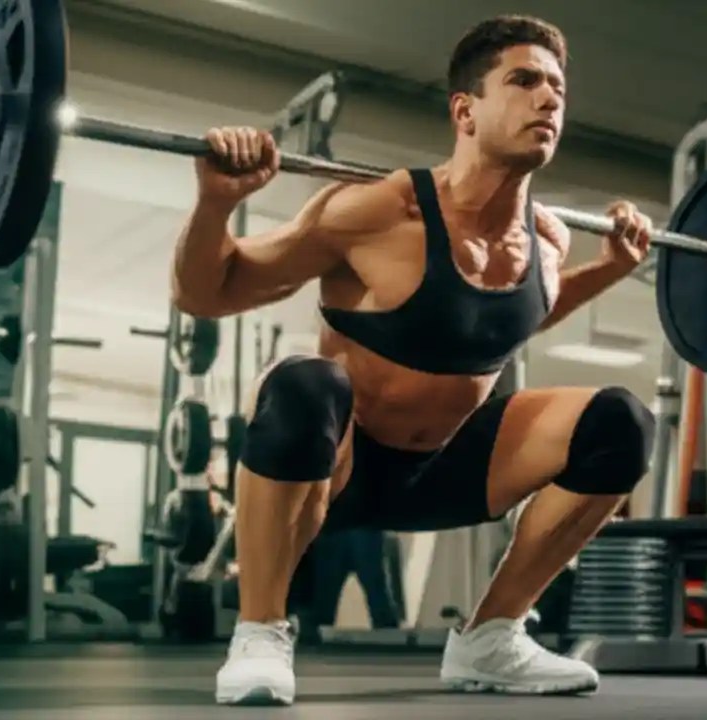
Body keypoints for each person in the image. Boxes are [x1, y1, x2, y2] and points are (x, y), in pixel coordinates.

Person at [172, 14, 657, 707]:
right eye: (524, 81)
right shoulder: (375, 212)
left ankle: (492, 636)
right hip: (334, 470)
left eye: (556, 86)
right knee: (304, 384)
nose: (549, 99)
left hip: (449, 471)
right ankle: (259, 631)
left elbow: (510, 315)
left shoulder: (547, 238)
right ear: (465, 109)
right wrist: (216, 205)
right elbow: (206, 293)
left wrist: (610, 268)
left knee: (622, 423)